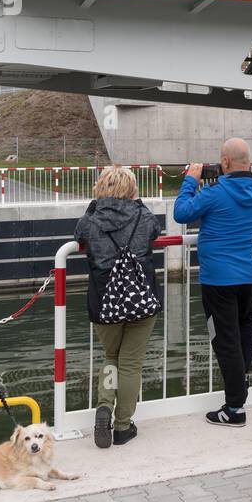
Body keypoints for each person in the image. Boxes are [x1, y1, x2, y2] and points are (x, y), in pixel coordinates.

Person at [173, 138, 252, 427]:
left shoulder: (214, 193)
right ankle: (244, 375)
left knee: (224, 339)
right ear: (249, 163)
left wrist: (191, 180)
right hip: (250, 275)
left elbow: (181, 213)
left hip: (218, 279)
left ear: (225, 163)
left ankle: (234, 408)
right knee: (244, 328)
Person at [76, 165, 165, 448]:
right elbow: (155, 230)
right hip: (141, 298)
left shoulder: (91, 221)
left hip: (105, 301)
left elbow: (79, 233)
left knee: (111, 356)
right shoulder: (142, 215)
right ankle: (123, 427)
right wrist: (137, 203)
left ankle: (104, 406)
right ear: (133, 189)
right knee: (131, 363)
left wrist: (94, 206)